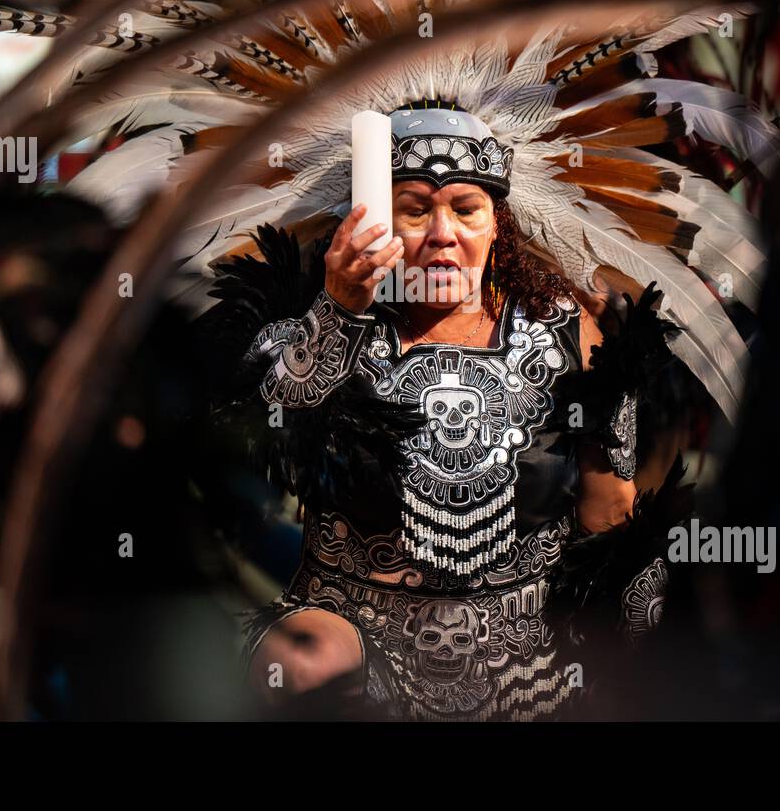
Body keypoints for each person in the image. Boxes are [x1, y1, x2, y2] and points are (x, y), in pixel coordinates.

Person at [231, 106, 674, 720]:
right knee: (305, 664)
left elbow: (611, 518)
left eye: (465, 210)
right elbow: (267, 432)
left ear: (498, 227)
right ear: (376, 220)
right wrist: (338, 311)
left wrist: (644, 662)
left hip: (526, 657)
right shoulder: (318, 325)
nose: (443, 234)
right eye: (415, 209)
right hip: (358, 636)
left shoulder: (567, 338)